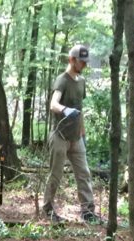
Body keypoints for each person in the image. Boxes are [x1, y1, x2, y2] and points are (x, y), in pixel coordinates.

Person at [42, 44, 99, 225]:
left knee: (84, 174)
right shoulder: (62, 80)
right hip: (60, 136)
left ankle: (88, 211)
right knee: (56, 174)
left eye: (85, 62)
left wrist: (83, 133)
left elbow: (80, 109)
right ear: (72, 60)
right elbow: (53, 104)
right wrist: (65, 110)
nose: (84, 65)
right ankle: (48, 208)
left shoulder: (81, 81)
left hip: (76, 138)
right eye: (81, 62)